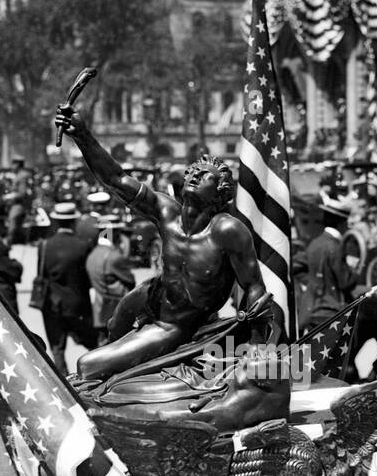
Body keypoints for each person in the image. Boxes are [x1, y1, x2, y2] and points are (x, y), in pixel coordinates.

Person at [53, 102, 273, 382]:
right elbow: (116, 179)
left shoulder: (227, 231)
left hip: (176, 326)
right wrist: (82, 135)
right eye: (193, 170)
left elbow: (254, 287)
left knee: (87, 365)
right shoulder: (166, 212)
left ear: (219, 193)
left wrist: (256, 348)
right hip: (150, 303)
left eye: (206, 175)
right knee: (110, 340)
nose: (194, 174)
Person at [32, 201, 97, 375]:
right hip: (78, 305)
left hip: (53, 305)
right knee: (93, 343)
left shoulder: (44, 246)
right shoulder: (83, 246)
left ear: (56, 221)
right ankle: (96, 374)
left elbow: (42, 274)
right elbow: (88, 277)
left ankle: (66, 383)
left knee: (57, 348)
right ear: (73, 222)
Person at [294, 196, 357, 333]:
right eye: (347, 223)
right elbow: (345, 283)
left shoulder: (315, 243)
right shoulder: (336, 247)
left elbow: (297, 267)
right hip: (332, 312)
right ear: (341, 224)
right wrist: (354, 268)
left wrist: (314, 282)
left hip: (312, 310)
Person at [86, 214, 135, 346]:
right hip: (116, 311)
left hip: (99, 310)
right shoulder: (114, 257)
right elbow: (131, 282)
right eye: (118, 232)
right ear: (113, 233)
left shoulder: (93, 254)